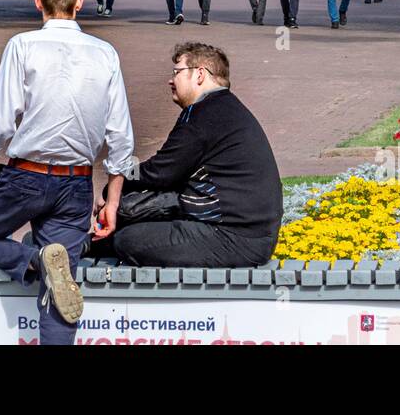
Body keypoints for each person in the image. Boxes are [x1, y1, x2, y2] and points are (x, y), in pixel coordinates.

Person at [0, 0, 137, 345]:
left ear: (37, 1)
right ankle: (49, 271)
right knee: (61, 292)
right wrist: (112, 201)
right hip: (76, 182)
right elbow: (121, 136)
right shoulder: (105, 53)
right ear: (80, 2)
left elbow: (2, 120)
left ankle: (34, 260)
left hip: (25, 175)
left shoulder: (22, 46)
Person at [90, 43, 282, 268]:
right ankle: (85, 247)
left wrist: (116, 181)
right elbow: (167, 170)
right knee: (128, 213)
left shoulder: (206, 115)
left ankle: (83, 249)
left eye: (177, 72)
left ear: (200, 74)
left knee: (129, 240)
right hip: (247, 234)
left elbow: (160, 172)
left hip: (234, 238)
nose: (171, 80)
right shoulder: (221, 108)